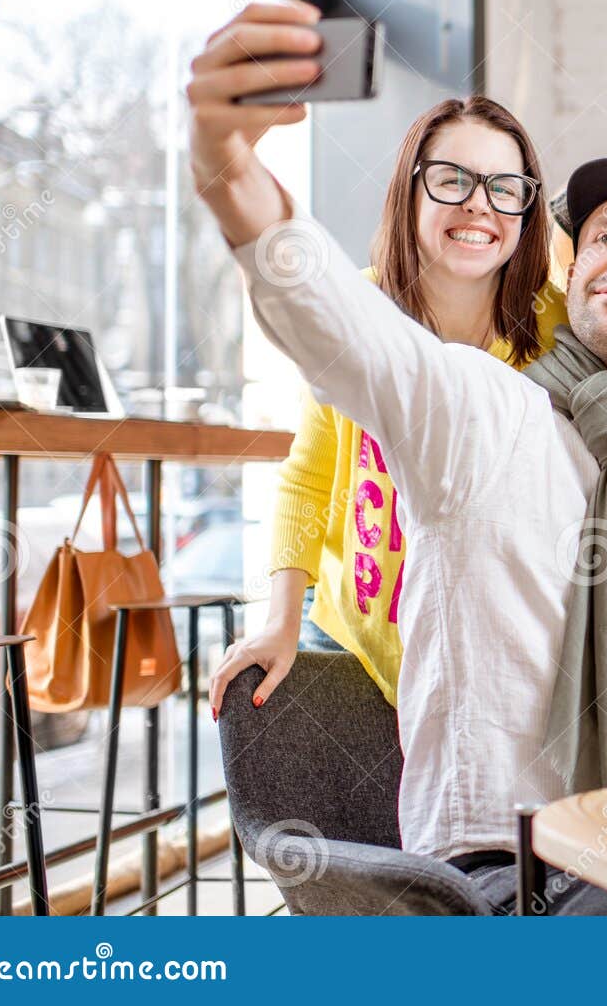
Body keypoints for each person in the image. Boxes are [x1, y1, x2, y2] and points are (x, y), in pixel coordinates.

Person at [189, 3, 607, 913]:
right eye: (603, 236)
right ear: (574, 265)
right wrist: (228, 165)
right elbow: (327, 315)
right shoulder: (477, 412)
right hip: (512, 874)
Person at [213, 94, 566, 712]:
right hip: (356, 638)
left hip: (492, 649)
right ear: (410, 191)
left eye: (504, 187)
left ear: (527, 208)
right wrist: (280, 620)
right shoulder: (358, 308)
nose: (479, 203)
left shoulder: (556, 324)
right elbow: (310, 477)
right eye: (452, 180)